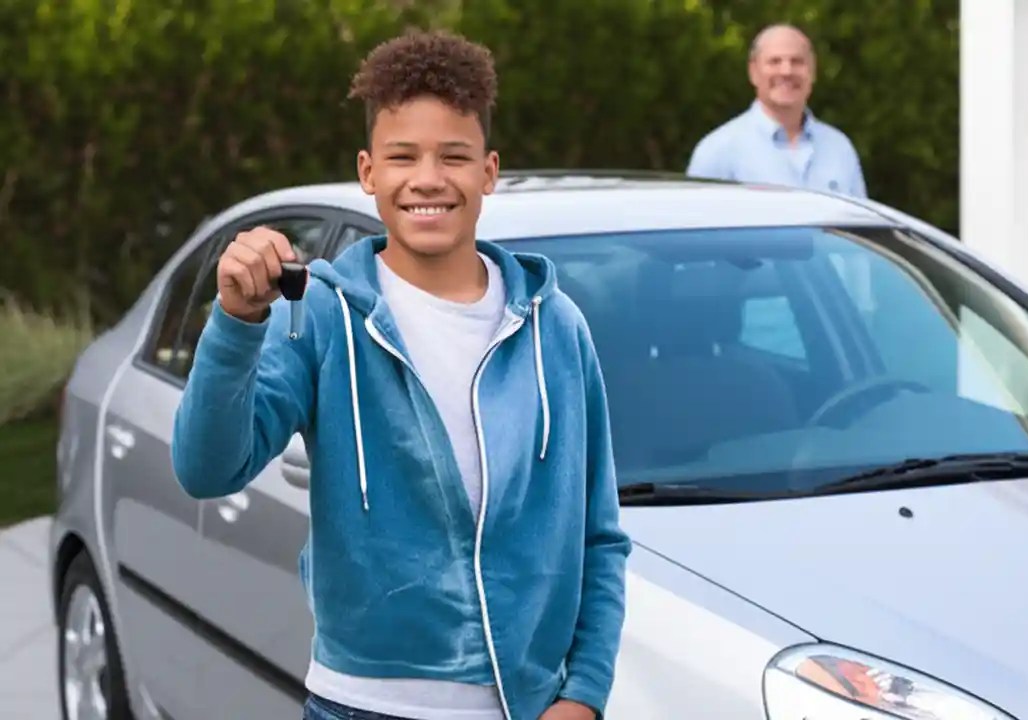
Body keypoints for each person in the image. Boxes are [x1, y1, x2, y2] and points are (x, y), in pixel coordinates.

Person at [170, 29, 631, 720]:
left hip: (527, 708)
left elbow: (600, 534)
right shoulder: (320, 315)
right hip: (358, 706)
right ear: (367, 171)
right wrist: (236, 322)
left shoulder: (555, 327)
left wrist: (584, 696)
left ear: (488, 171)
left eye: (454, 155)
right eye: (402, 156)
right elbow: (208, 468)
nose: (427, 178)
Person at [686, 23, 868, 198]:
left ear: (812, 72)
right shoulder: (718, 151)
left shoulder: (839, 148)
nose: (786, 71)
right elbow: (696, 225)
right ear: (753, 72)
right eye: (774, 61)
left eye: (797, 61)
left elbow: (862, 226)